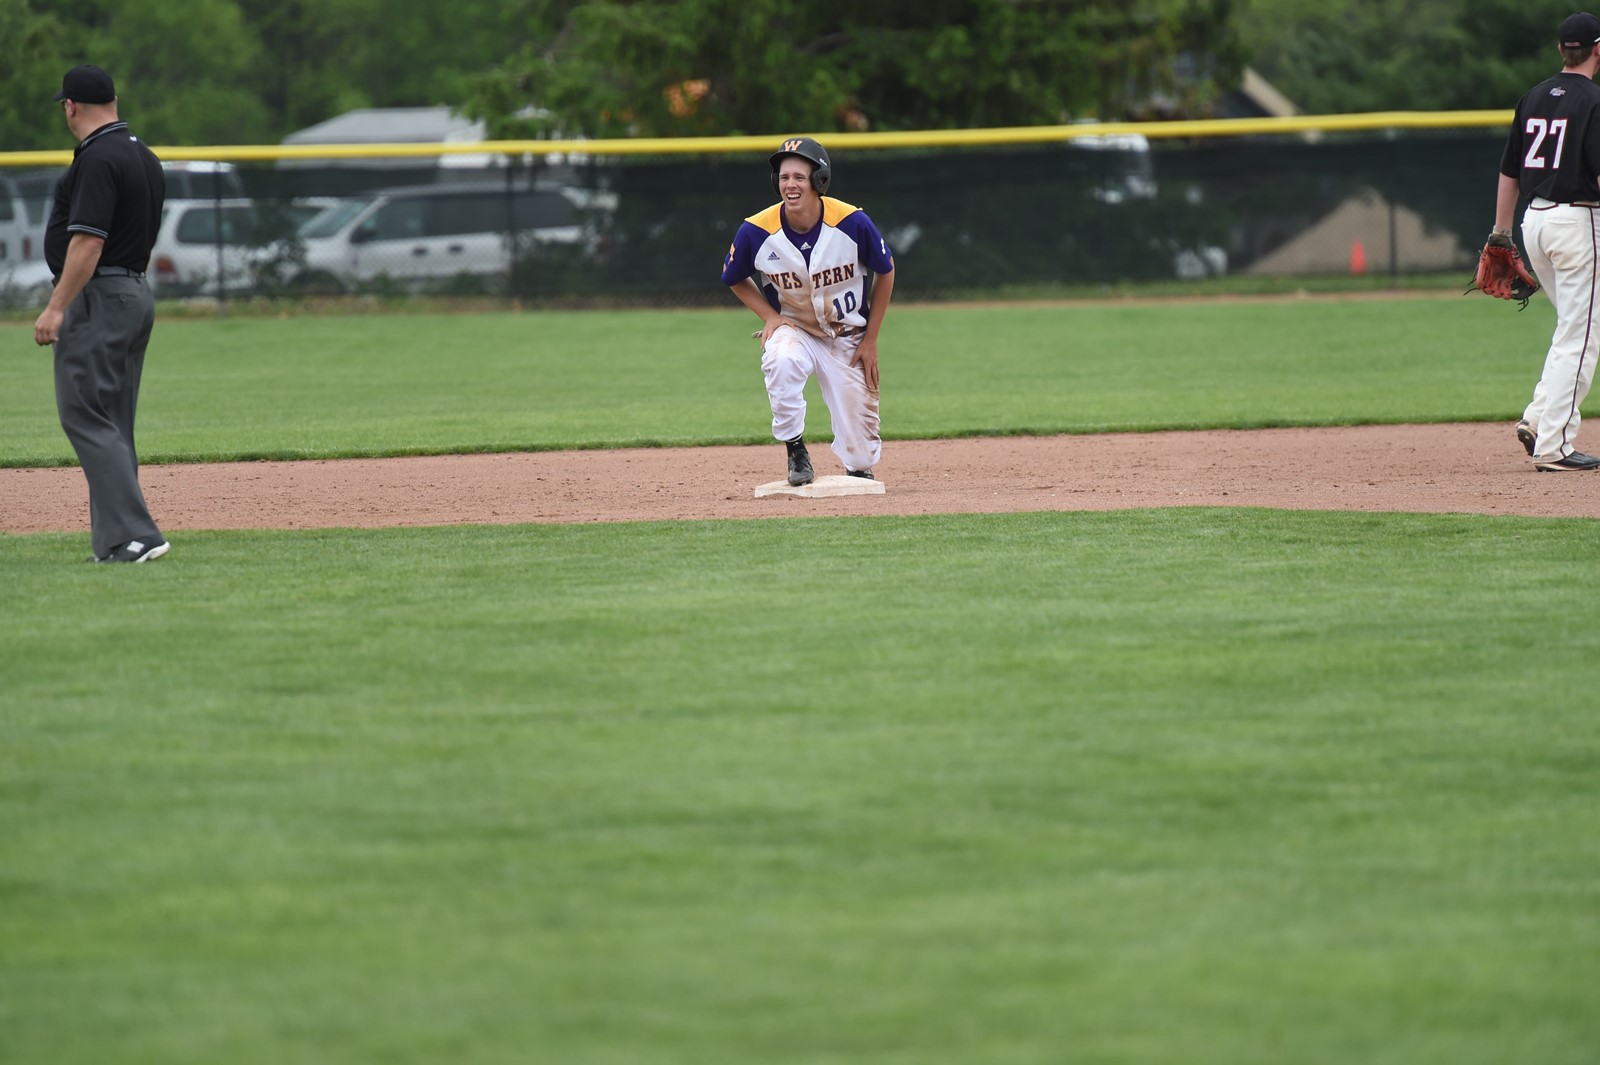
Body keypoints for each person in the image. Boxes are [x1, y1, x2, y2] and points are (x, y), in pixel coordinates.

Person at [34, 65, 170, 559]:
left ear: (70, 106)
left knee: (83, 414)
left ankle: (139, 535)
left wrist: (56, 308)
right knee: (112, 421)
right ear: (113, 99)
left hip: (99, 298)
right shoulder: (143, 155)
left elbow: (89, 242)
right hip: (134, 292)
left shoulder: (97, 157)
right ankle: (115, 542)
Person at [721, 137, 895, 485]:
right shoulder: (756, 230)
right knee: (780, 359)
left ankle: (856, 463)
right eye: (784, 177)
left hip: (847, 335)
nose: (790, 184)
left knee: (862, 457)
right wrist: (770, 317)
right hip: (796, 330)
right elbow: (734, 277)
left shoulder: (851, 222)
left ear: (819, 180)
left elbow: (886, 271)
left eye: (799, 177)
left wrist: (871, 339)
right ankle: (795, 449)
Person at [1498, 13, 1600, 472]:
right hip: (1576, 223)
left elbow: (1510, 172)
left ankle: (1539, 418)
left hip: (1533, 223)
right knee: (1581, 334)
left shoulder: (1533, 96)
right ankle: (1555, 446)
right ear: (1598, 50)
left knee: (1573, 329)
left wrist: (1499, 232)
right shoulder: (1594, 102)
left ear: (1563, 49)